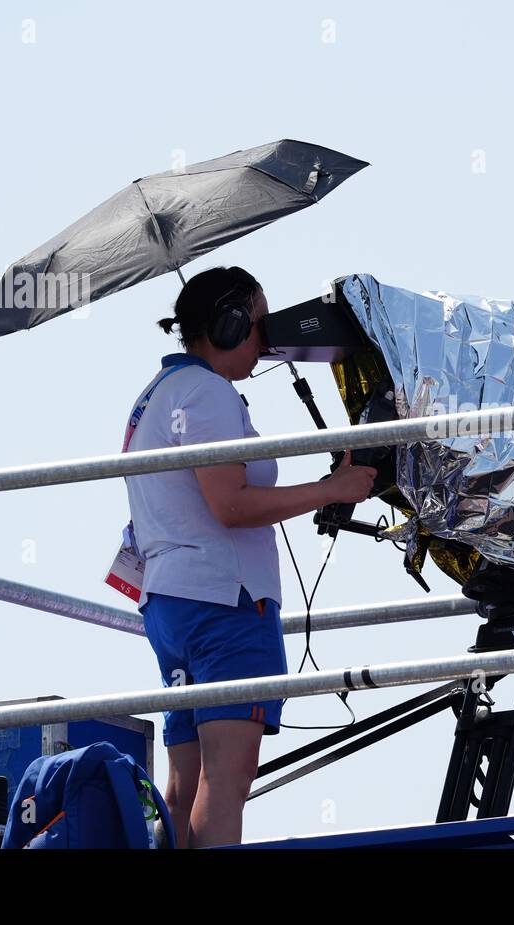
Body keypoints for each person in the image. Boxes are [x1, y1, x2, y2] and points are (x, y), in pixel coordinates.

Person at [121, 265, 376, 848]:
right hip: (224, 603)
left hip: (172, 603)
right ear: (230, 324)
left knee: (185, 790)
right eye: (259, 324)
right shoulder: (205, 393)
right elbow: (230, 506)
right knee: (229, 779)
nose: (267, 341)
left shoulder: (158, 395)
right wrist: (330, 491)